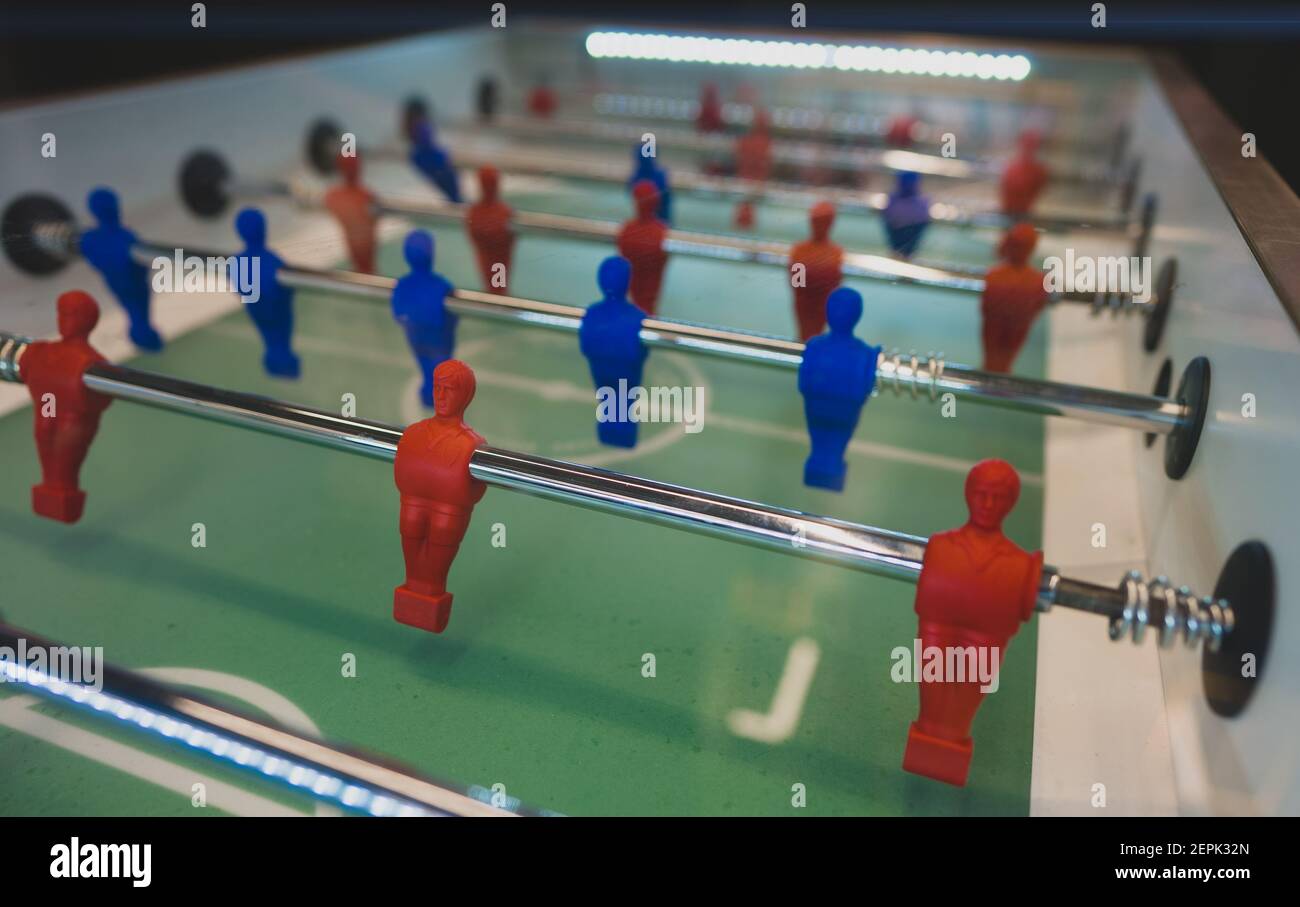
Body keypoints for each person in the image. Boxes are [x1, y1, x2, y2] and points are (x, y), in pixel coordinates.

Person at [903, 459, 1043, 787]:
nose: (988, 504)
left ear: (1011, 504)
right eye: (981, 494)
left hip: (983, 635)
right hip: (944, 626)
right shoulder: (942, 546)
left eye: (998, 497)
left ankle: (946, 746)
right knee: (935, 699)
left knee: (960, 705)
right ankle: (932, 744)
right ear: (968, 495)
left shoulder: (1019, 564)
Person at [392, 359, 487, 633]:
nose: (441, 396)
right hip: (415, 503)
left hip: (448, 513)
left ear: (466, 395)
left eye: (450, 389)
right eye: (437, 388)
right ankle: (414, 592)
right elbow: (405, 476)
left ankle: (428, 595)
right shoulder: (415, 433)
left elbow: (472, 490)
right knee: (410, 522)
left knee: (443, 530)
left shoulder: (469, 443)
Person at [798, 287, 881, 491]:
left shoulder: (815, 345)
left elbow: (803, 382)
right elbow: (865, 386)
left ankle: (822, 469)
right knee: (834, 444)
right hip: (844, 411)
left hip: (817, 407)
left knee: (821, 443)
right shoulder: (863, 352)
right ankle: (828, 469)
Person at [79, 188, 162, 351]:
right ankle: (143, 336)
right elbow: (139, 261)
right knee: (137, 309)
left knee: (135, 309)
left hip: (119, 281)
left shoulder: (90, 239)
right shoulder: (124, 236)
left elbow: (94, 261)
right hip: (131, 281)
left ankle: (143, 336)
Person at [391, 230, 457, 408]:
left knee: (426, 366)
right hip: (439, 338)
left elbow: (397, 312)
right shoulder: (441, 285)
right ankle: (440, 399)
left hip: (415, 336)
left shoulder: (402, 285)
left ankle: (430, 394)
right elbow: (453, 312)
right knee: (441, 368)